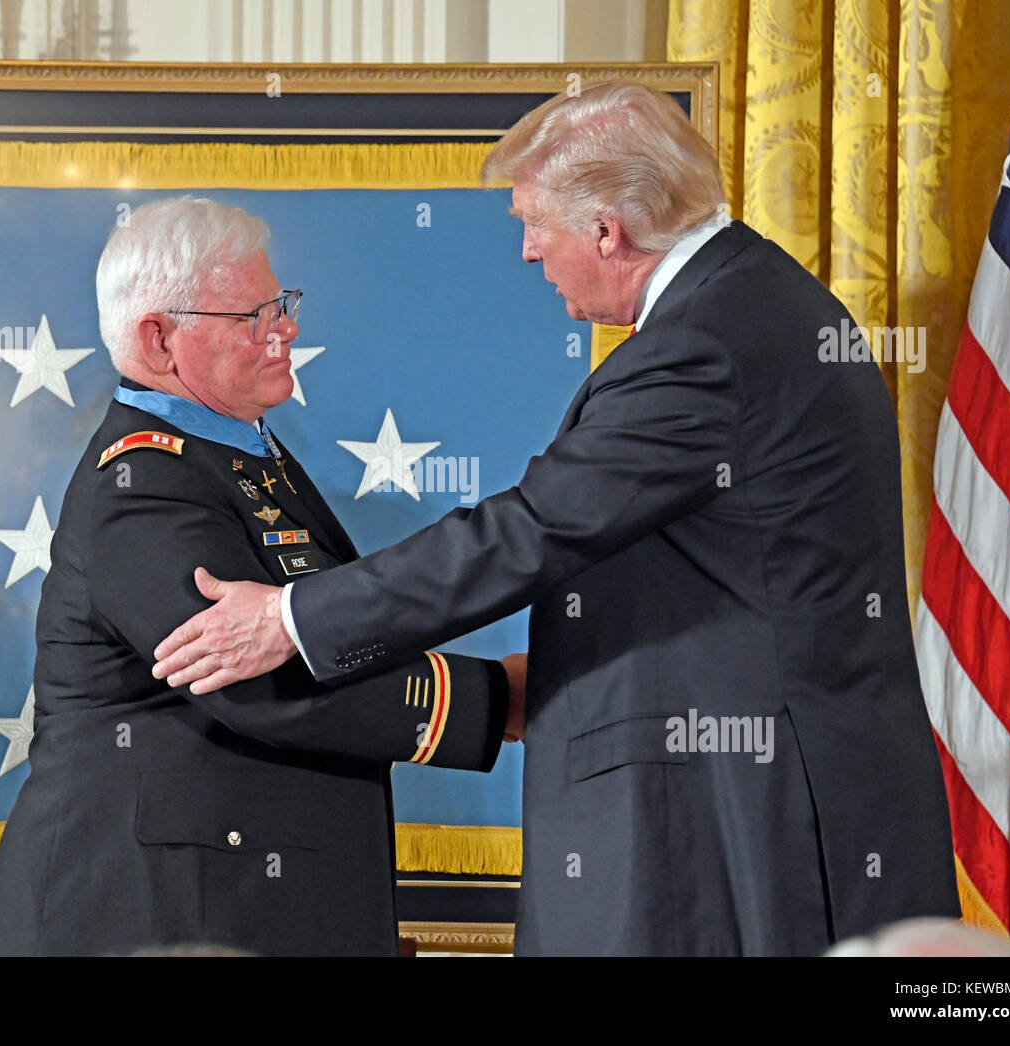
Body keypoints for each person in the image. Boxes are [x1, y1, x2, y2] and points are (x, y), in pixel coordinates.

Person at [150, 82, 963, 956]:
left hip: (740, 816)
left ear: (607, 230)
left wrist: (290, 617)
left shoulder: (707, 341)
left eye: (534, 223)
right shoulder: (749, 300)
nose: (530, 252)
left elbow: (534, 529)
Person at [0, 196, 511, 957]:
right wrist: (496, 701)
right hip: (152, 921)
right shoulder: (144, 483)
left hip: (235, 905)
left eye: (281, 304)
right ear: (158, 338)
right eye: (252, 314)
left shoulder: (240, 453)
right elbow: (259, 686)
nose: (285, 328)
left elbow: (314, 633)